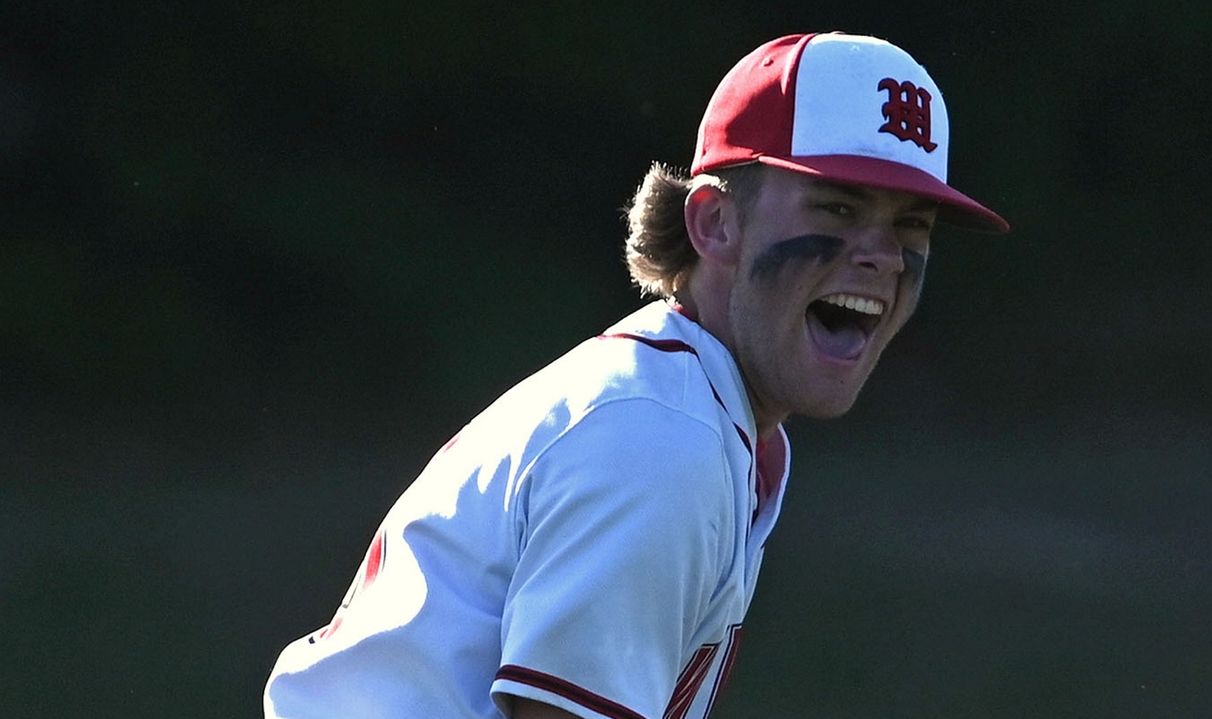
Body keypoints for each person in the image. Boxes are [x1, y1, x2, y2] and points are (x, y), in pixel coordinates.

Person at [264, 31, 1008, 719]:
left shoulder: (682, 405)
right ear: (714, 222)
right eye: (838, 206)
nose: (879, 253)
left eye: (911, 225)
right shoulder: (663, 436)